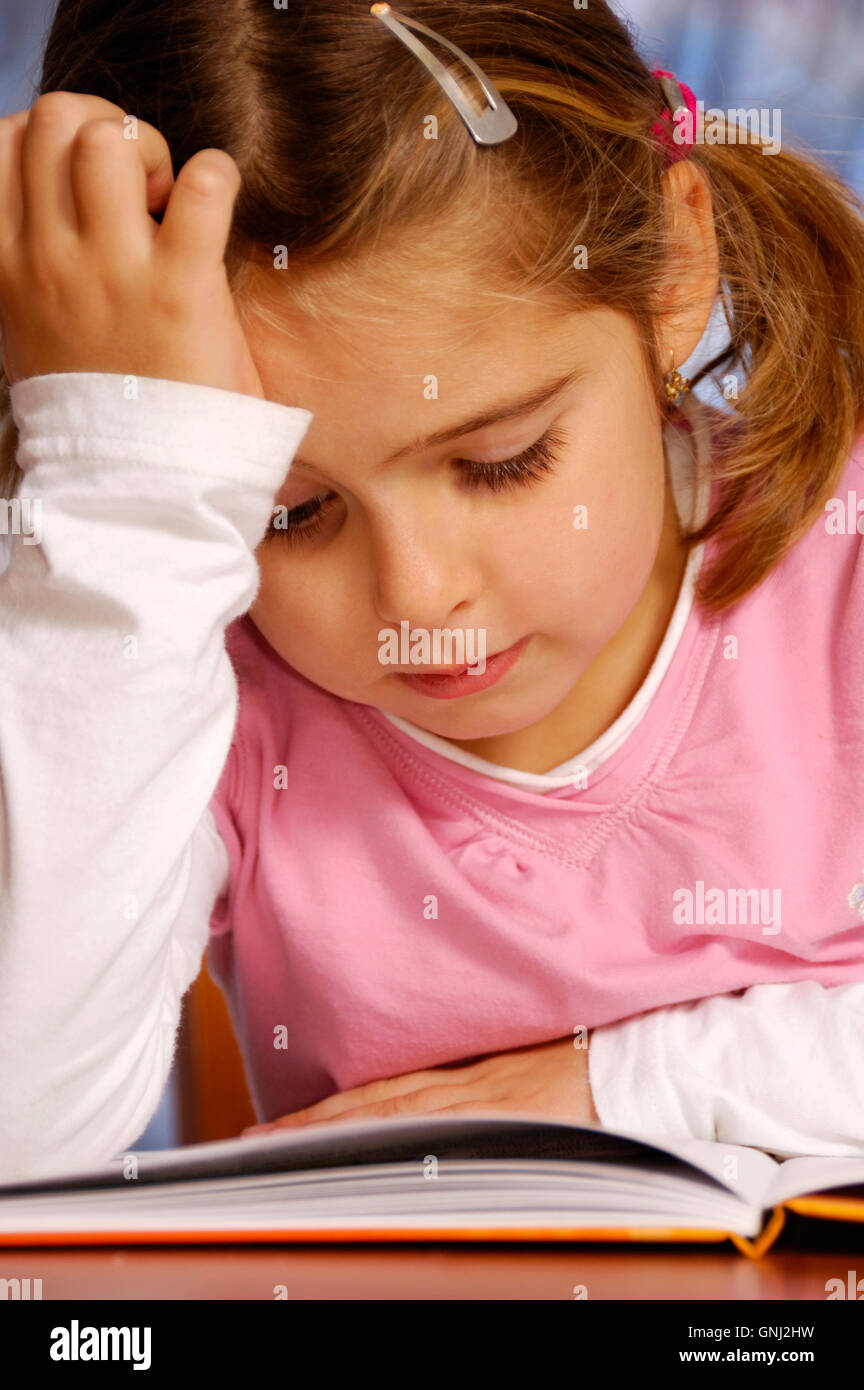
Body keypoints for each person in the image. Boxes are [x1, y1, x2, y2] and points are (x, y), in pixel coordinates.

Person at [1, 0, 863, 1184]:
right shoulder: (178, 669)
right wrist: (129, 498)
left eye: (501, 460)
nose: (418, 597)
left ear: (673, 269)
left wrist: (613, 1091)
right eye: (287, 514)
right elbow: (20, 1132)